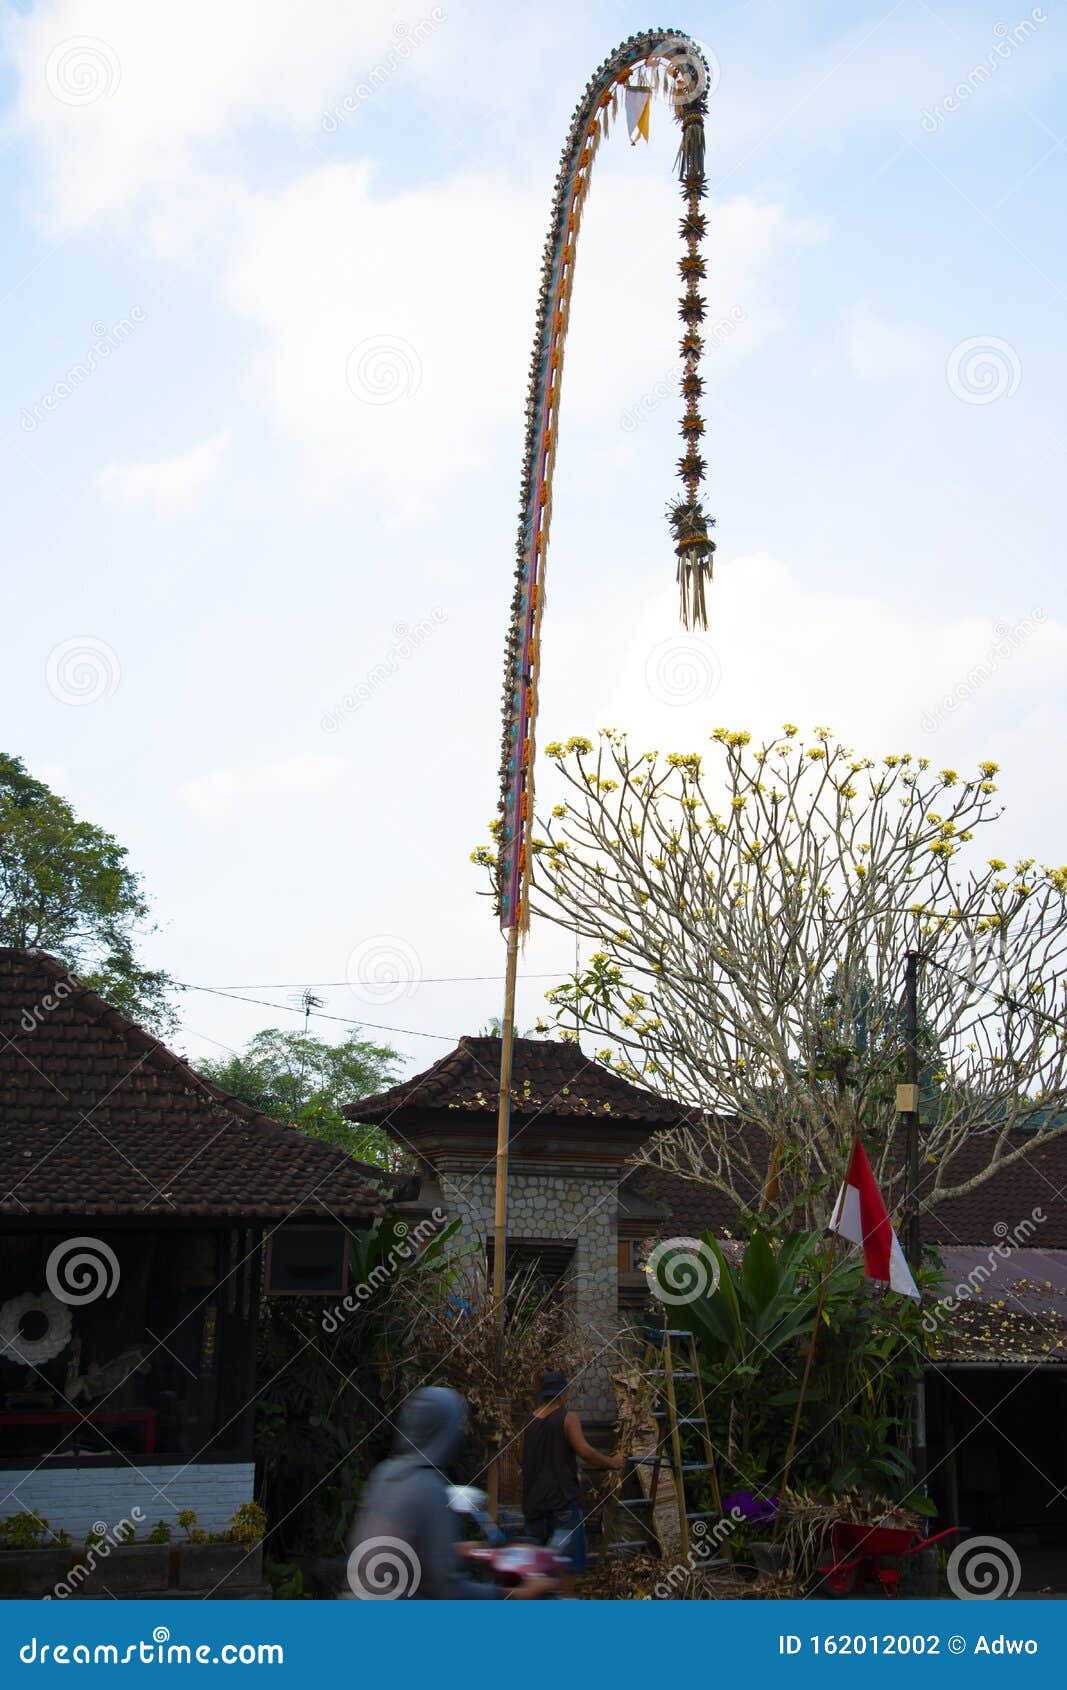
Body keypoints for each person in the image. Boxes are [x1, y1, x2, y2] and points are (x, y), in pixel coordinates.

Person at [348, 1385, 555, 1599]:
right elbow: (448, 1590)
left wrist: (453, 1550)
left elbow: (395, 1548)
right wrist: (516, 1594)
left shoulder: (385, 1474)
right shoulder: (428, 1486)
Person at [520, 1370, 625, 1574]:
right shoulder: (568, 1418)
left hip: (533, 1505)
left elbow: (520, 1457)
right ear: (562, 1395)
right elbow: (585, 1451)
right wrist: (612, 1462)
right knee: (567, 1569)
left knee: (536, 1571)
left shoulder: (528, 1422)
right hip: (562, 1504)